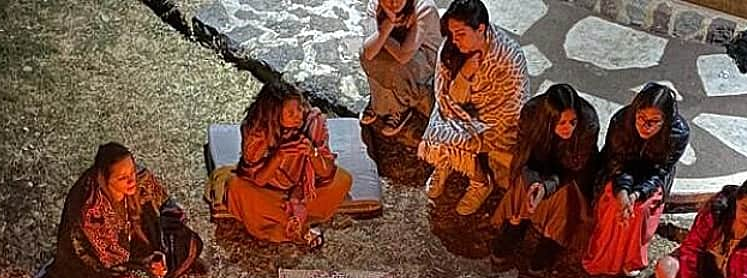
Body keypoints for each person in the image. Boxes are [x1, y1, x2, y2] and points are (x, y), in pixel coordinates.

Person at [50, 142, 204, 278]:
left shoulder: (139, 177)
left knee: (190, 243)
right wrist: (146, 265)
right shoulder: (90, 211)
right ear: (105, 179)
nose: (132, 180)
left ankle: (163, 274)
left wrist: (162, 252)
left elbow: (168, 208)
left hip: (142, 245)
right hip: (101, 268)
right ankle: (162, 277)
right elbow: (105, 261)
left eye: (131, 171)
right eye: (122, 178)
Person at [419, 0, 529, 216]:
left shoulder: (509, 57)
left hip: (494, 123)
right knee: (437, 140)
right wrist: (464, 75)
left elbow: (513, 108)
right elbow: (444, 95)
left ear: (480, 29)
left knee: (454, 141)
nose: (454, 40)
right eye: (451, 34)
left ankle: (480, 181)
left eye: (460, 34)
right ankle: (446, 163)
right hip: (455, 113)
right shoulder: (451, 49)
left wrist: (472, 125)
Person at [220, 81, 353, 248]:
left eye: (299, 108)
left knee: (342, 179)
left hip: (303, 190)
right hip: (267, 191)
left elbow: (326, 173)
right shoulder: (257, 133)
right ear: (274, 115)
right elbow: (258, 180)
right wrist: (279, 155)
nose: (299, 115)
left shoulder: (313, 123)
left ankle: (288, 220)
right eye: (291, 113)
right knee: (236, 188)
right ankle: (297, 224)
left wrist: (313, 153)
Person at [490, 83, 600, 275]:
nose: (568, 128)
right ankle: (515, 227)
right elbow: (524, 155)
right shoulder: (532, 113)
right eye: (561, 123)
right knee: (522, 191)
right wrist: (534, 182)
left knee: (562, 198)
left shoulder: (588, 123)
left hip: (568, 176)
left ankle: (549, 241)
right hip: (538, 166)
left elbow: (573, 168)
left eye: (572, 122)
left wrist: (546, 186)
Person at [581, 83, 689, 278]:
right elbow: (616, 159)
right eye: (641, 118)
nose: (645, 126)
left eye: (654, 121)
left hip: (652, 178)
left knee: (640, 210)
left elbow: (660, 170)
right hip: (618, 171)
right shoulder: (622, 121)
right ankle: (603, 256)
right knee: (615, 204)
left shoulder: (678, 133)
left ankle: (630, 258)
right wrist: (622, 191)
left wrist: (637, 193)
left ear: (665, 121)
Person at [360, 0, 442, 137]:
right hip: (394, 48)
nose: (393, 3)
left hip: (423, 56)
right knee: (368, 57)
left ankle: (400, 107)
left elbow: (403, 55)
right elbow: (368, 53)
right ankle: (379, 100)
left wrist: (382, 34)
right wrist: (387, 27)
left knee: (395, 66)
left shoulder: (424, 8)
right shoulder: (375, 5)